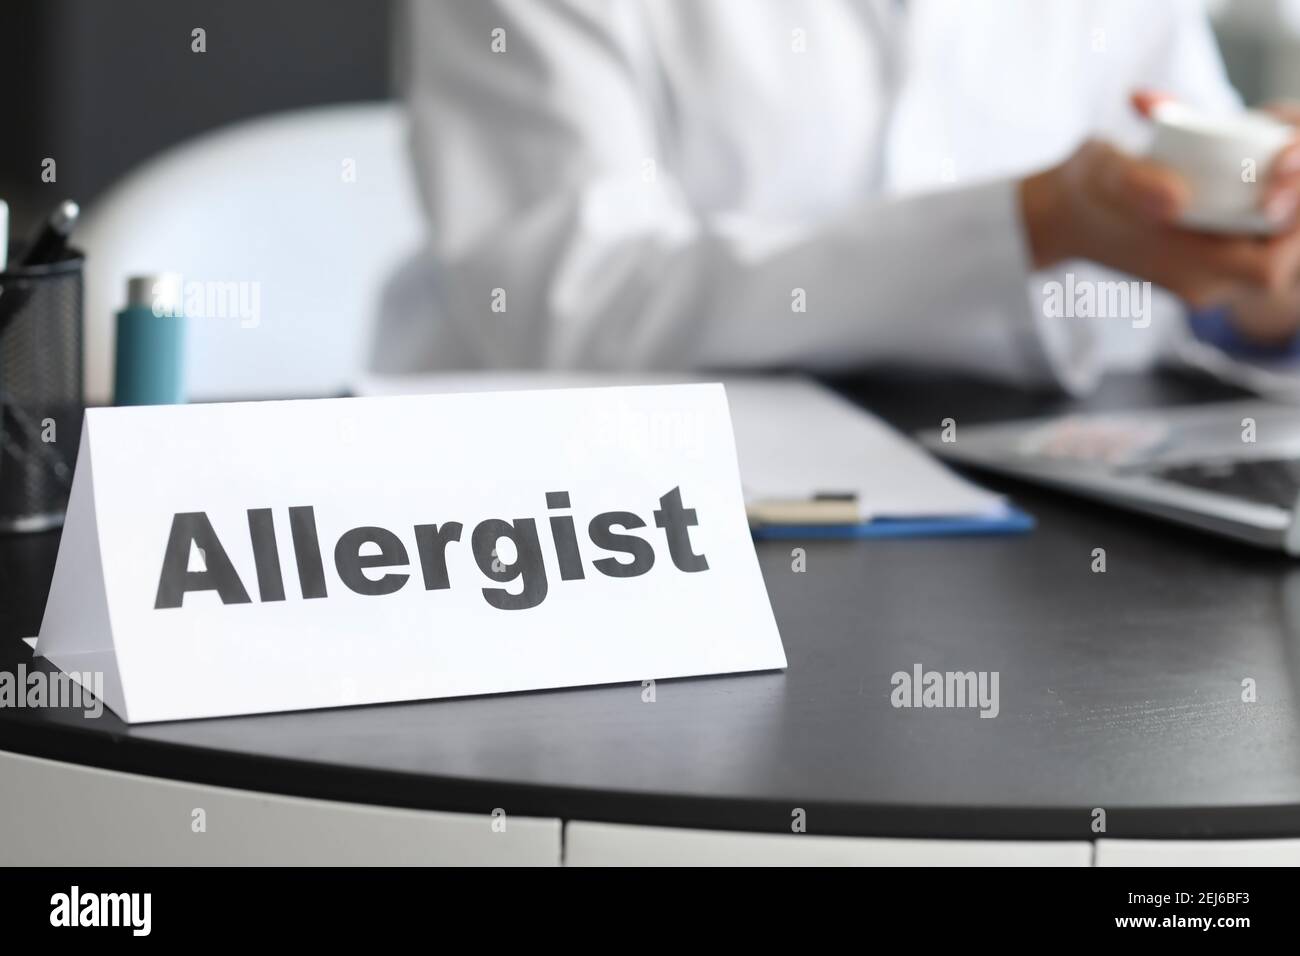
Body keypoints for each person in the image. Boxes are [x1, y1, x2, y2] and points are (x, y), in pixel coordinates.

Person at [373, 0, 1300, 395]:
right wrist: (1031, 223)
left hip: (1027, 514)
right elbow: (574, 305)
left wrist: (1257, 281)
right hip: (597, 532)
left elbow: (1174, 241)